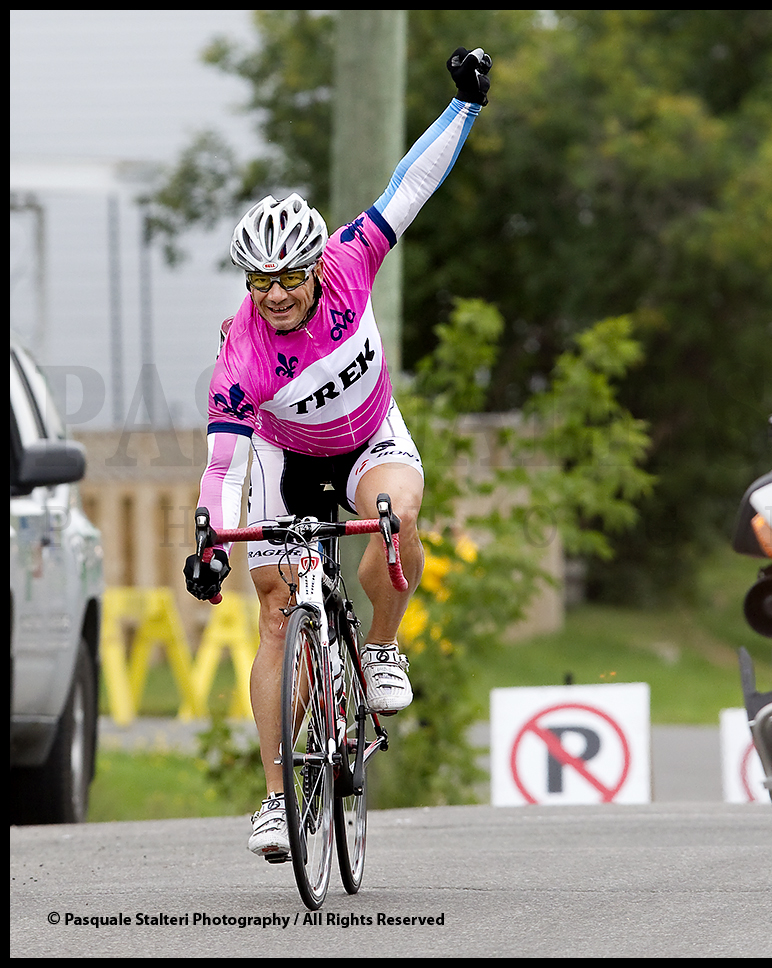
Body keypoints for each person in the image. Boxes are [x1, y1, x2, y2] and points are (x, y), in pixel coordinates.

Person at [183, 47, 493, 861]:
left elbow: (409, 187)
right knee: (275, 614)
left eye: (288, 277)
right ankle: (275, 799)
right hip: (285, 461)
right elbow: (223, 467)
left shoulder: (354, 261)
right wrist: (210, 544)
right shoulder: (240, 357)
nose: (276, 295)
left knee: (393, 516)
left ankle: (382, 645)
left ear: (317, 263)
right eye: (259, 282)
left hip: (368, 440)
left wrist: (464, 105)